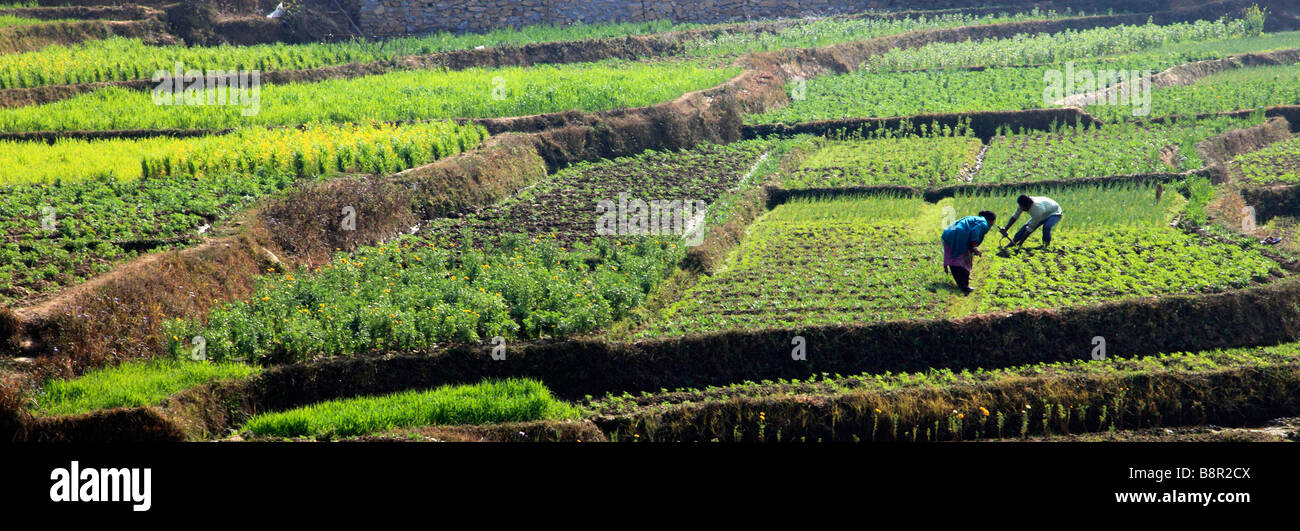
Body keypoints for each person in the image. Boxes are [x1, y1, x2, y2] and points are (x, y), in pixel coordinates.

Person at [941, 210, 996, 295]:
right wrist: (974, 246)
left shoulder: (975, 219)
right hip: (959, 236)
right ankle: (965, 287)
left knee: (953, 261)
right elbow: (975, 231)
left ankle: (962, 284)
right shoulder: (984, 223)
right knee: (963, 262)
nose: (992, 225)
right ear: (990, 221)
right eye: (993, 223)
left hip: (948, 233)